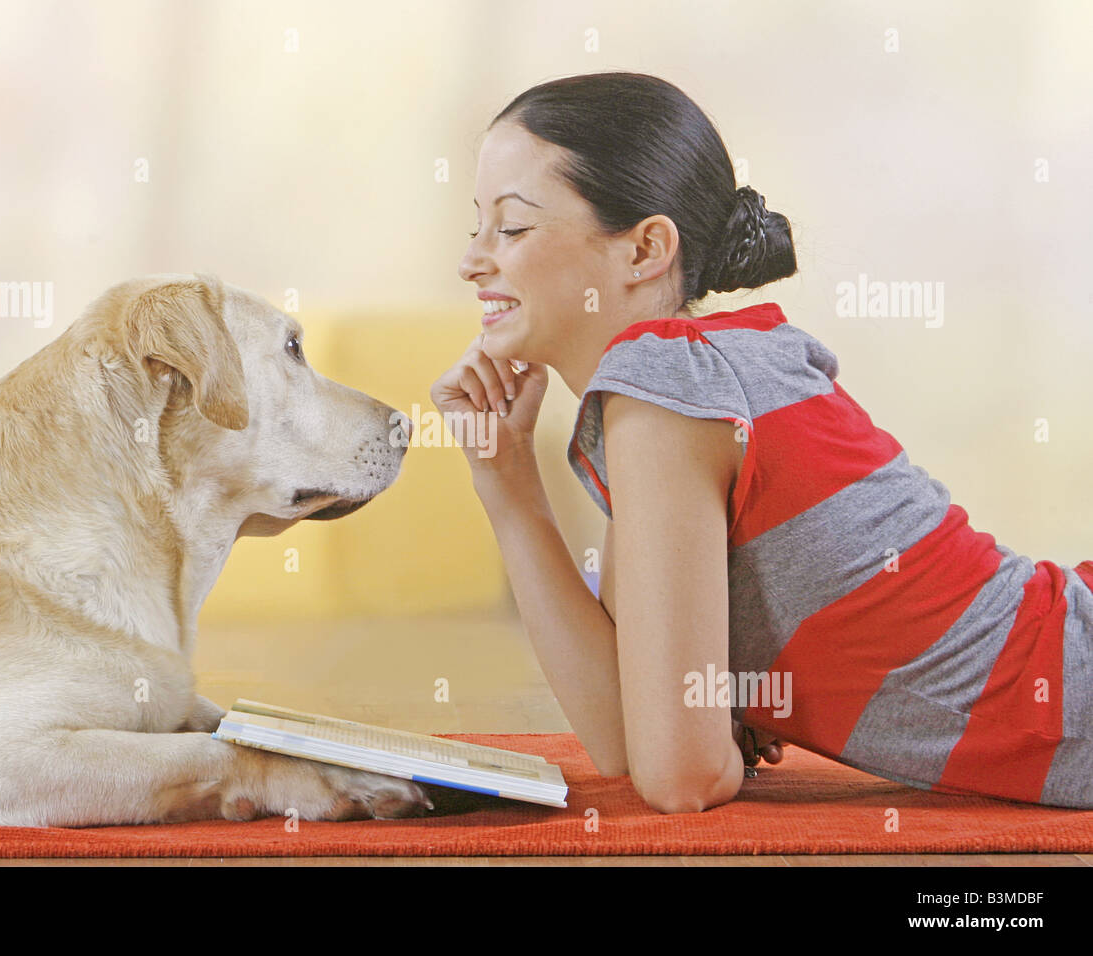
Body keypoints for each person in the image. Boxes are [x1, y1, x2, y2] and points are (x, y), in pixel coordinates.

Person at [430, 71, 1093, 813]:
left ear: (645, 249)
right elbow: (627, 738)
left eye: (512, 228)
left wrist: (714, 719)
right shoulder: (671, 386)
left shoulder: (668, 388)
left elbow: (679, 777)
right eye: (476, 228)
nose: (472, 262)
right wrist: (506, 480)